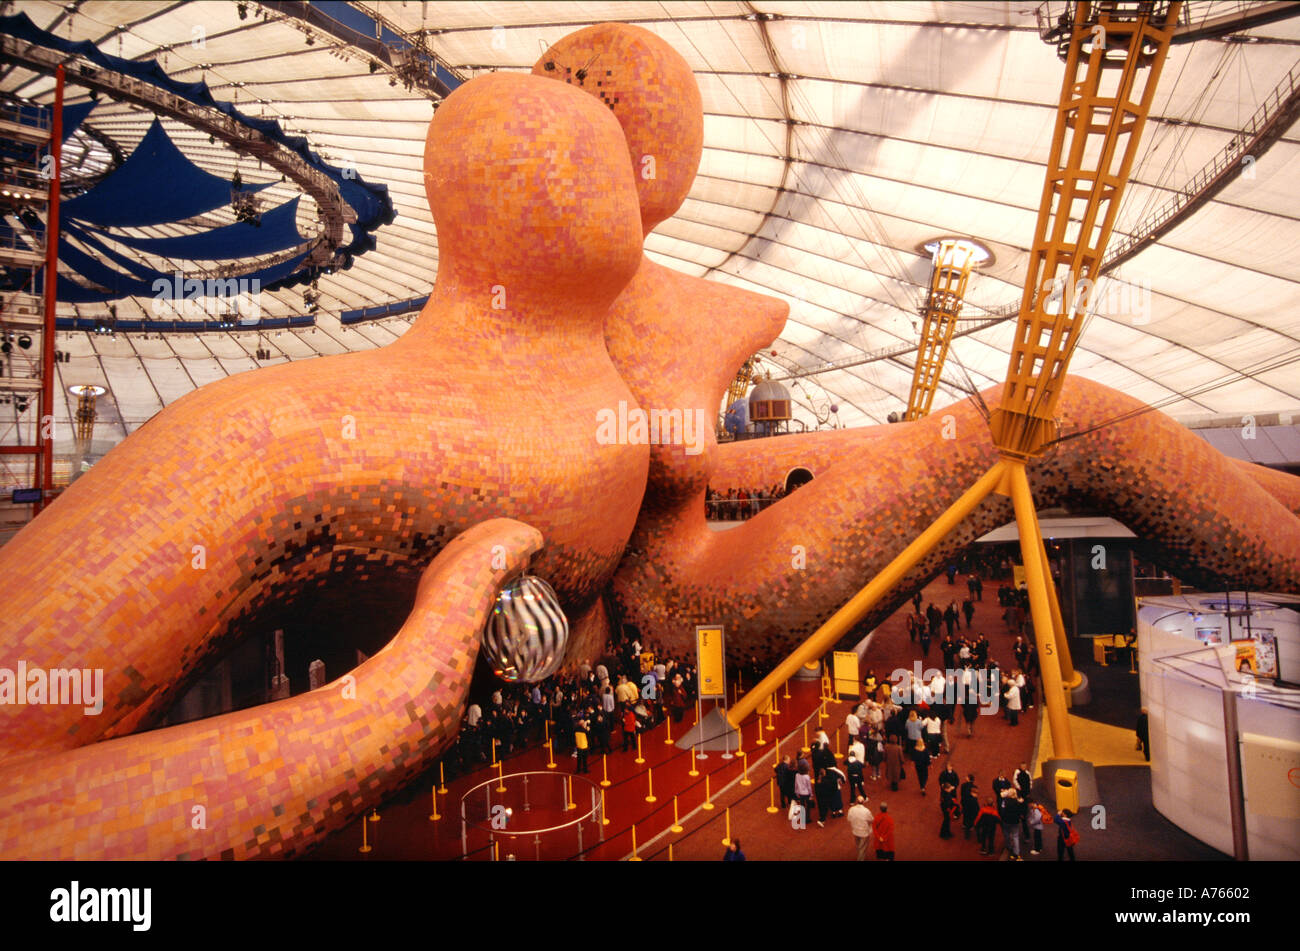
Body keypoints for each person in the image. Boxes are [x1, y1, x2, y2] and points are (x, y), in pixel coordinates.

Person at [847, 795, 874, 861]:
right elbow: (871, 819)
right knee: (862, 847)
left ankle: (860, 857)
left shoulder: (851, 809)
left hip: (855, 831)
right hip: (864, 832)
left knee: (858, 846)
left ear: (856, 801)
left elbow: (849, 819)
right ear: (863, 802)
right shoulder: (866, 811)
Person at [961, 775, 980, 840]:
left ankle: (967, 835)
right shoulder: (974, 787)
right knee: (973, 822)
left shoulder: (963, 786)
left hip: (966, 807)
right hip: (972, 812)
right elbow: (976, 807)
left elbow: (962, 795)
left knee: (966, 821)